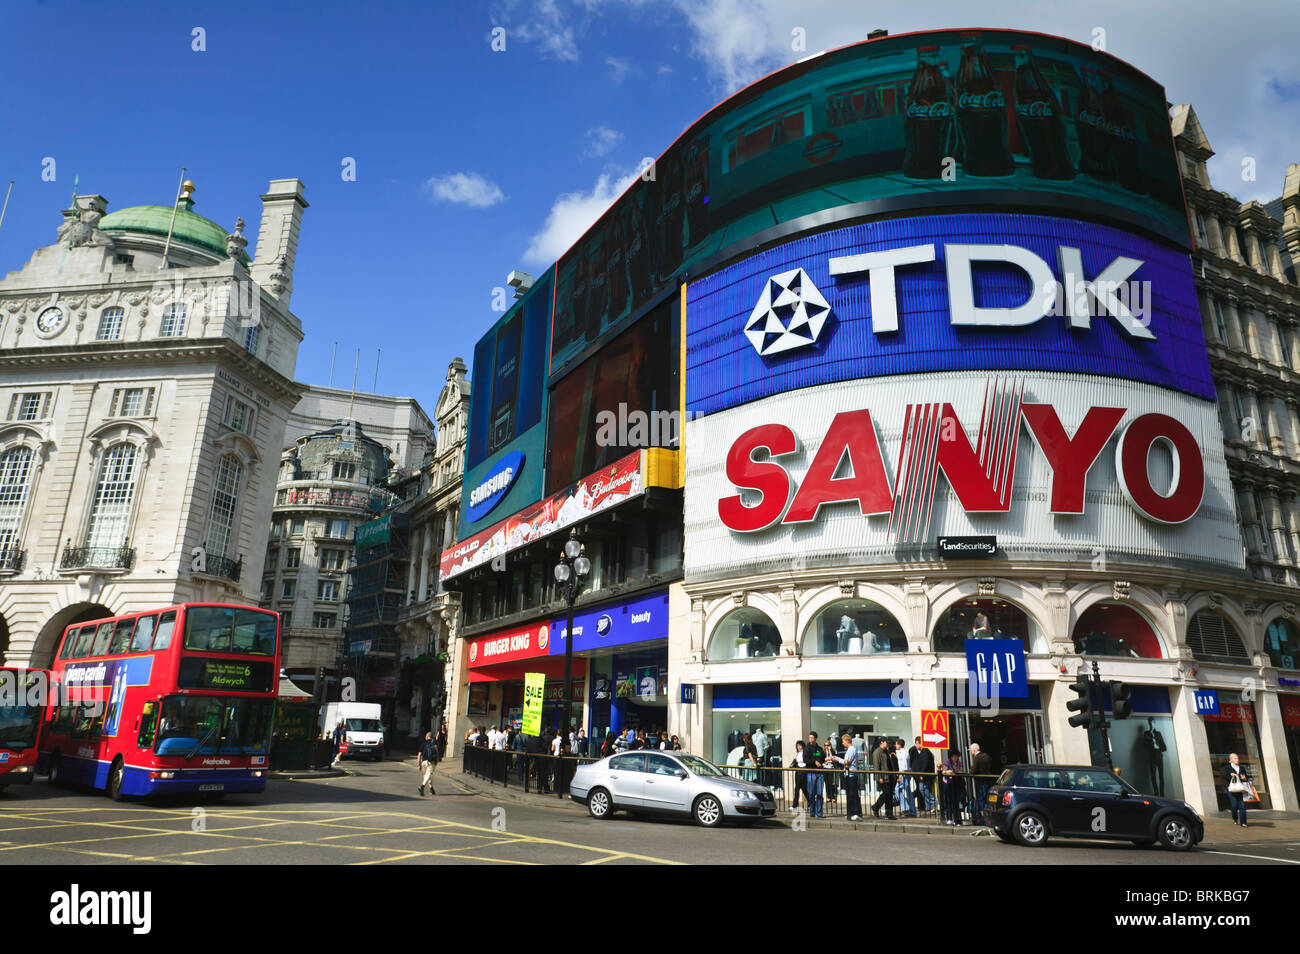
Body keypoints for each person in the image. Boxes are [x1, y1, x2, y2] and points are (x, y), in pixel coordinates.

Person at [830, 733, 863, 820]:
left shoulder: (851, 749)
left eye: (843, 741)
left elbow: (847, 762)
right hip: (850, 774)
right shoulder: (850, 749)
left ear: (847, 741)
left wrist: (836, 759)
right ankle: (852, 813)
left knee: (853, 794)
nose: (842, 743)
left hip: (851, 775)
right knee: (851, 794)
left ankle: (856, 813)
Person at [909, 737, 938, 814]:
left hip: (925, 775)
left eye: (916, 744)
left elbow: (925, 764)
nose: (916, 746)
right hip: (924, 775)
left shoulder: (925, 751)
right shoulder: (924, 751)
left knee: (922, 789)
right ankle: (929, 807)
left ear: (919, 743)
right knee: (923, 789)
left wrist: (921, 774)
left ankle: (933, 802)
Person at [969, 743, 996, 824]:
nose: (971, 752)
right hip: (989, 781)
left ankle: (985, 818)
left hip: (981, 782)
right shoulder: (987, 756)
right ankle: (989, 817)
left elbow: (973, 771)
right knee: (987, 799)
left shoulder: (977, 758)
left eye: (971, 750)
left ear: (974, 750)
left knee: (981, 800)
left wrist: (970, 771)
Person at [871, 738, 895, 819]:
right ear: (881, 742)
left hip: (889, 776)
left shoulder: (886, 751)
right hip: (883, 777)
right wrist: (879, 777)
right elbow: (876, 766)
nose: (887, 744)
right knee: (886, 794)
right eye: (886, 742)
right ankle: (876, 807)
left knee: (889, 795)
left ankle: (889, 814)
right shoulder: (877, 752)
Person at [1225, 753, 1251, 827]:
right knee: (1234, 805)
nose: (1237, 760)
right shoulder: (1227, 768)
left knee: (1242, 805)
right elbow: (1225, 776)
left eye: (1237, 758)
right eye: (1235, 758)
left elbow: (1246, 778)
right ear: (1231, 760)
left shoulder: (1241, 768)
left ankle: (1243, 822)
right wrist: (1230, 775)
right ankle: (1235, 818)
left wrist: (1244, 778)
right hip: (1231, 789)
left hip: (1239, 789)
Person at [804, 732, 826, 818]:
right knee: (812, 793)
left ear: (815, 738)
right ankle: (812, 811)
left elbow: (822, 759)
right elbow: (805, 760)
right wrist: (814, 762)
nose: (810, 739)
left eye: (812, 738)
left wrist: (824, 760)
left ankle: (819, 813)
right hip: (811, 772)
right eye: (809, 737)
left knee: (820, 793)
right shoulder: (807, 749)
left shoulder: (819, 749)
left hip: (820, 773)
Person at [894, 738, 916, 817]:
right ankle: (911, 810)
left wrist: (900, 776)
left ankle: (906, 808)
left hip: (904, 774)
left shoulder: (903, 753)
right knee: (908, 791)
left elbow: (904, 766)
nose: (895, 746)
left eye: (896, 744)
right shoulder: (904, 751)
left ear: (899, 745)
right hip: (906, 773)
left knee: (897, 789)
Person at [940, 750, 963, 825]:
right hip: (948, 784)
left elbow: (960, 771)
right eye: (954, 756)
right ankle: (949, 817)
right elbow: (942, 772)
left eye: (957, 756)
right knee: (948, 801)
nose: (956, 758)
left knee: (956, 801)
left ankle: (957, 818)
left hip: (956, 784)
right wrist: (948, 772)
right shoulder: (947, 763)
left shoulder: (959, 763)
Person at [417, 730, 438, 796]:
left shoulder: (423, 743)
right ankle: (422, 786)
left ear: (427, 737)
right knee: (429, 775)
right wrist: (436, 762)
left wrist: (419, 764)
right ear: (431, 737)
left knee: (428, 775)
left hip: (424, 762)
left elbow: (419, 755)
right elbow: (437, 753)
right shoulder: (434, 744)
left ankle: (432, 789)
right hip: (431, 762)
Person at [790, 740, 808, 810]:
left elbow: (804, 762)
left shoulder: (804, 753)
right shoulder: (798, 753)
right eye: (797, 746)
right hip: (798, 771)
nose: (799, 747)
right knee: (802, 789)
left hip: (803, 771)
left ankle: (795, 805)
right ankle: (810, 803)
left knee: (800, 788)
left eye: (800, 745)